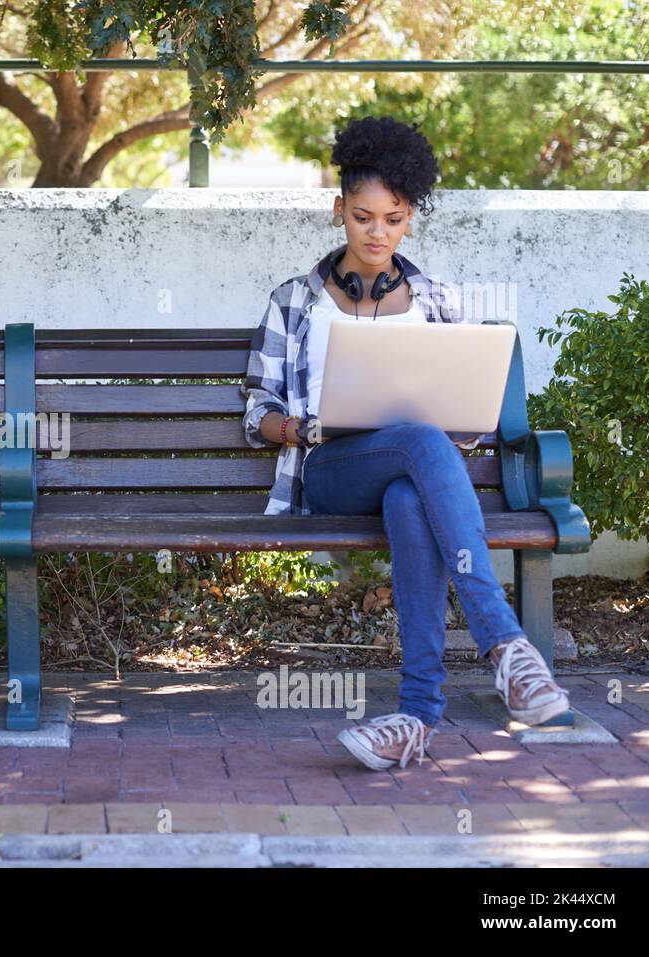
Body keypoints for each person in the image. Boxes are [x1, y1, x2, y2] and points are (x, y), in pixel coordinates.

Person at [241, 116, 570, 771]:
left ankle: (418, 715)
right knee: (419, 445)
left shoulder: (437, 299)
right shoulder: (294, 302)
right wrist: (304, 427)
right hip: (329, 470)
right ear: (340, 210)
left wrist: (462, 420)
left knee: (411, 496)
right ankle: (505, 644)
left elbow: (466, 418)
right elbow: (256, 412)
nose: (377, 232)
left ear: (410, 218)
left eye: (392, 218)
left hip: (410, 475)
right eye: (362, 216)